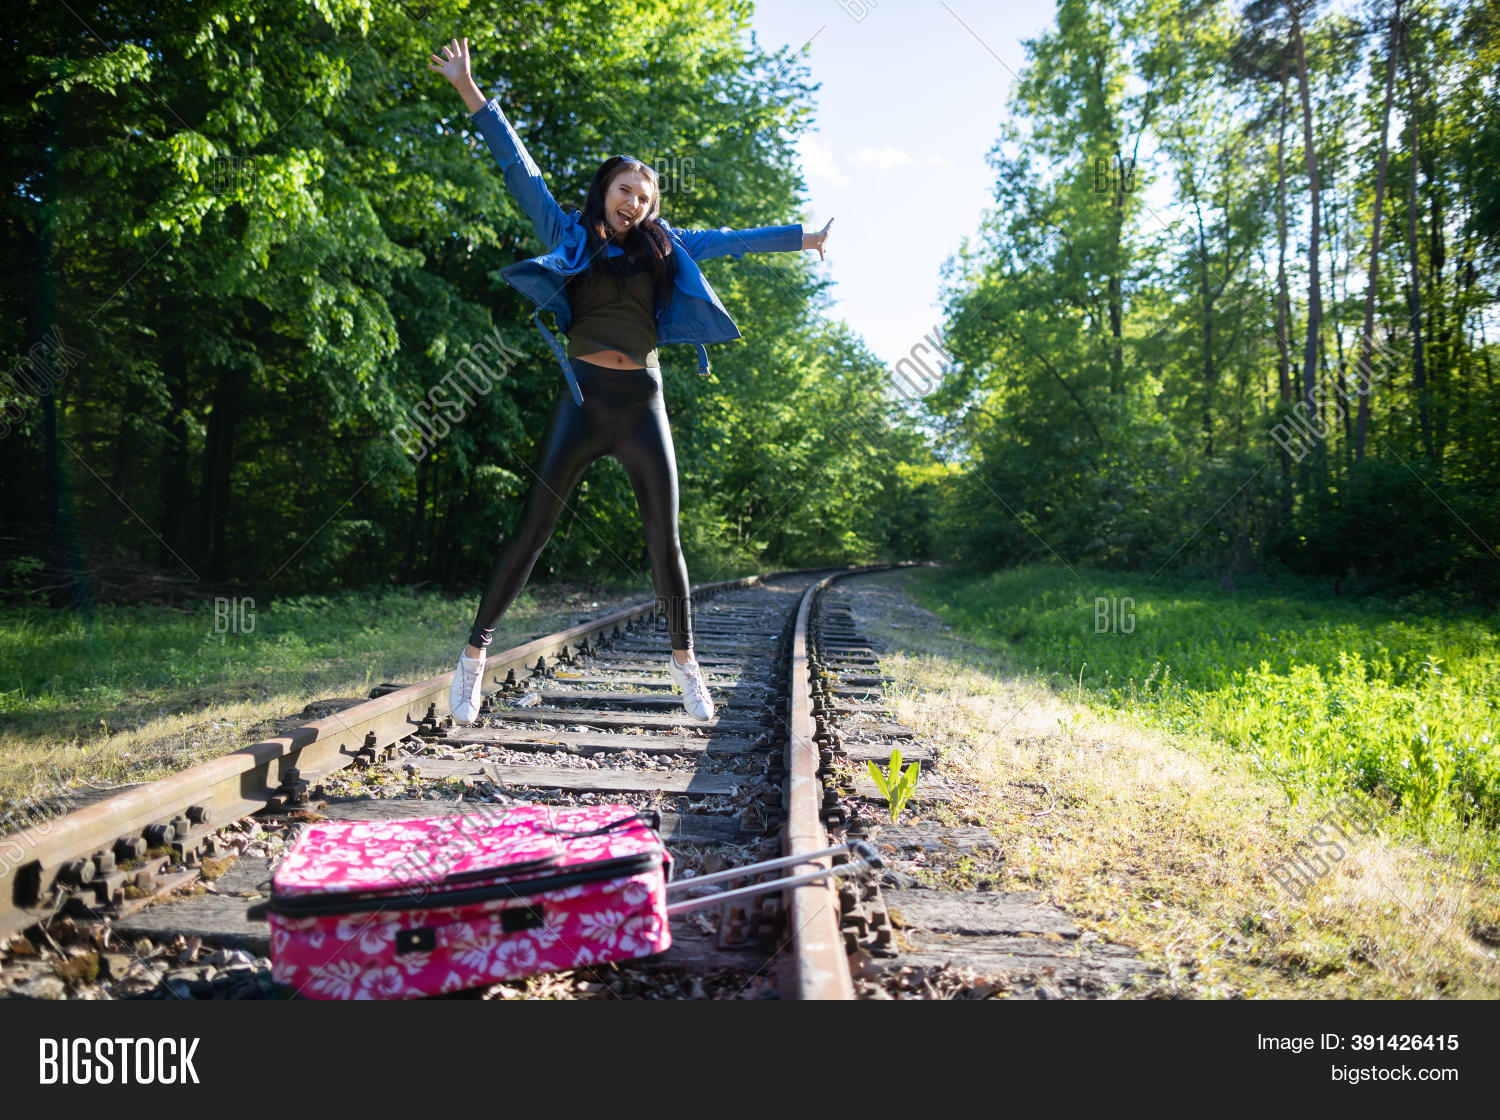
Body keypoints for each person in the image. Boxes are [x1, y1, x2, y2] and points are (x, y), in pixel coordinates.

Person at [429, 38, 833, 725]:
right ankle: (471, 660)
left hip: (642, 404)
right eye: (626, 191)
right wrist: (470, 90)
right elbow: (516, 168)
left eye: (645, 198)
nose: (635, 204)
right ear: (605, 191)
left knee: (662, 541)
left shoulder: (666, 246)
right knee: (533, 531)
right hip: (583, 402)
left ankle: (685, 668)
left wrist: (804, 240)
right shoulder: (569, 234)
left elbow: (732, 238)